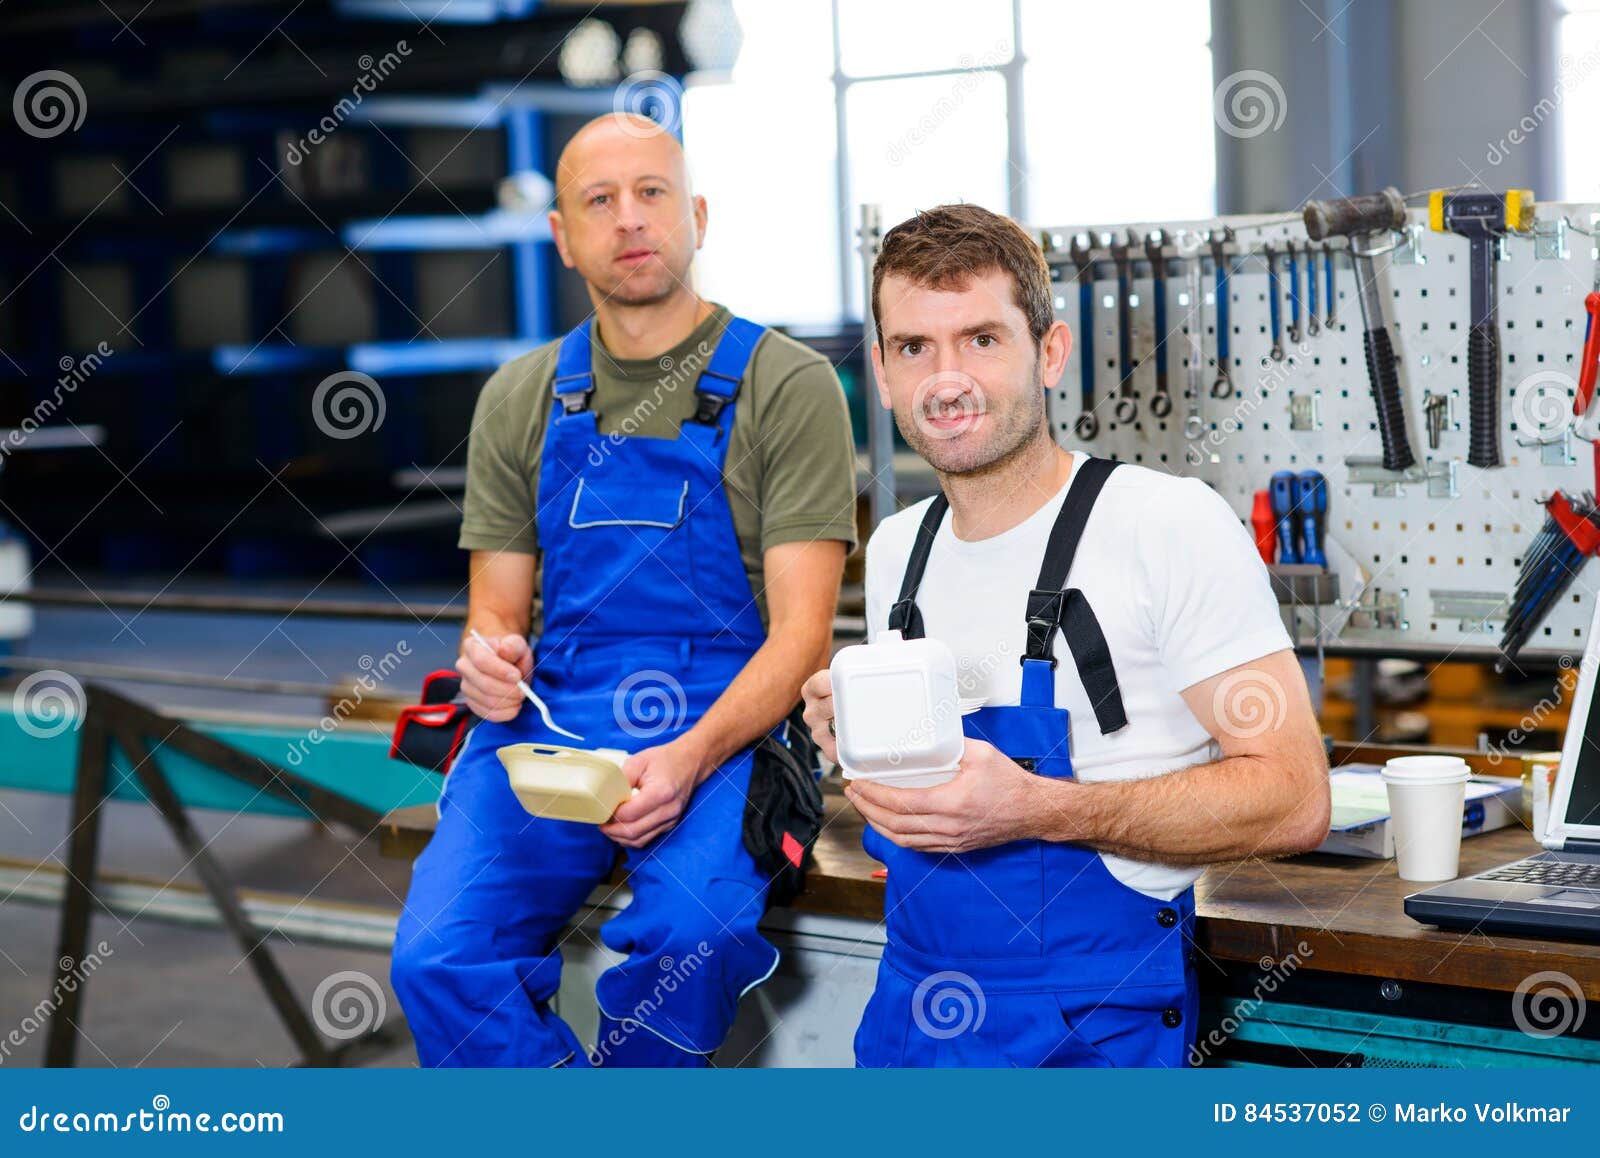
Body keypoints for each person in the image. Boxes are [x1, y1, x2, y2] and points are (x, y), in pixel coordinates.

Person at [801, 203, 1330, 1068]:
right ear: (885, 375)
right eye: (913, 347)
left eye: (981, 339)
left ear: (1048, 353)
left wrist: (1037, 810)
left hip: (1085, 1036)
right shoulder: (901, 548)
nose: (946, 379)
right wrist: (853, 734)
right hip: (912, 1023)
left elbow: (1294, 797)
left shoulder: (1166, 523)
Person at [392, 113, 858, 1067]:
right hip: (552, 726)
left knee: (696, 940)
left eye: (651, 193)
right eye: (598, 201)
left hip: (724, 726)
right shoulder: (520, 396)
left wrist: (686, 759)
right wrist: (488, 666)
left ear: (695, 215)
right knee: (437, 956)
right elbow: (495, 614)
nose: (629, 219)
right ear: (563, 235)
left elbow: (802, 639)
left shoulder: (787, 384)